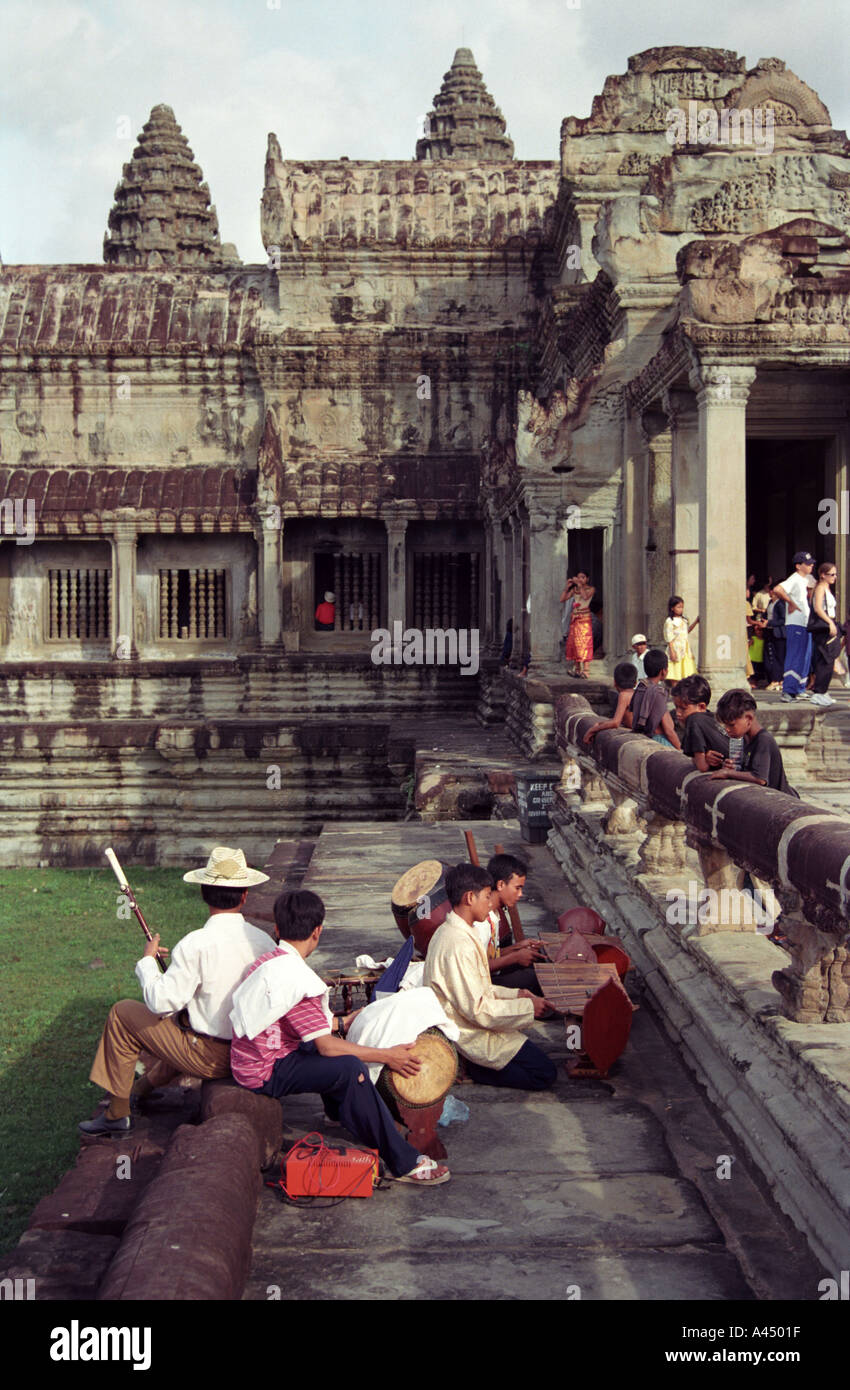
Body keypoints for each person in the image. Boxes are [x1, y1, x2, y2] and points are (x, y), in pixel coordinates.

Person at [230, 889, 450, 1186]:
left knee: (331, 1051)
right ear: (317, 931)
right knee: (350, 1068)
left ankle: (338, 1112)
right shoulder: (301, 979)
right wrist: (388, 1055)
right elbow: (327, 1047)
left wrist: (343, 1022)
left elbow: (295, 1023)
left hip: (249, 1059)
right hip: (264, 1072)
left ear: (277, 929)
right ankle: (403, 1162)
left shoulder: (267, 962)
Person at [79, 846, 273, 1136]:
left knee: (123, 1014)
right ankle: (141, 1089)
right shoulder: (264, 942)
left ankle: (116, 1114)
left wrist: (147, 962)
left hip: (211, 1058)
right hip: (250, 1054)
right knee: (184, 1019)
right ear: (245, 895)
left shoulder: (195, 943)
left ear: (203, 893)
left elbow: (160, 1003)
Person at [424, 863, 557, 1091]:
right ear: (469, 898)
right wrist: (527, 1007)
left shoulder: (459, 931)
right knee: (544, 1074)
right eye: (486, 897)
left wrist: (517, 995)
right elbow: (477, 1010)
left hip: (470, 1017)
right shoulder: (457, 942)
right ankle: (474, 1068)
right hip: (464, 1030)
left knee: (539, 1061)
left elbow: (480, 985)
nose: (490, 903)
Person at [472, 853, 546, 995]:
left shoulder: (495, 914)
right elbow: (477, 968)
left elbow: (490, 956)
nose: (520, 894)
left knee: (539, 963)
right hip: (483, 985)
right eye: (517, 888)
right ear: (500, 884)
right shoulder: (481, 921)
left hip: (492, 974)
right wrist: (515, 957)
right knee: (535, 978)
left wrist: (518, 947)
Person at [710, 689, 798, 797]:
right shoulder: (745, 739)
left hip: (782, 799)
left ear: (748, 719)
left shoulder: (763, 740)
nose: (727, 729)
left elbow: (760, 778)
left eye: (731, 725)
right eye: (726, 726)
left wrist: (728, 773)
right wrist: (732, 767)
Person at [774, 552, 815, 702]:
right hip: (795, 623)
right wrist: (790, 602)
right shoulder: (795, 578)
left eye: (811, 563)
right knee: (795, 656)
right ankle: (788, 690)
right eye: (807, 563)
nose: (811, 566)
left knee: (805, 656)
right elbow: (778, 589)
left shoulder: (806, 580)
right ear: (798, 566)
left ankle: (799, 688)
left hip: (805, 623)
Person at [671, 674, 729, 773]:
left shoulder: (694, 720)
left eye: (683, 708)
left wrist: (703, 759)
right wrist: (705, 756)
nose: (678, 713)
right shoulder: (708, 719)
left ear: (701, 707)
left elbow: (702, 767)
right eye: (676, 707)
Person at [630, 649, 681, 749]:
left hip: (642, 737)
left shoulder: (641, 687)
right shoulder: (658, 692)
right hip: (658, 739)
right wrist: (680, 749)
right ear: (663, 671)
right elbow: (668, 730)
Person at [809, 561, 840, 707]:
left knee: (829, 659)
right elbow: (818, 608)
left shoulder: (826, 588)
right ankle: (818, 692)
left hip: (828, 624)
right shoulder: (820, 588)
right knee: (825, 659)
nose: (834, 577)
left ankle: (823, 690)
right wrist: (830, 622)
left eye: (835, 574)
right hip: (824, 627)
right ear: (823, 575)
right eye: (831, 574)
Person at [583, 662, 637, 744]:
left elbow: (615, 723)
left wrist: (592, 730)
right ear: (635, 682)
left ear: (615, 683)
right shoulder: (636, 693)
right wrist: (600, 724)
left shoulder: (623, 695)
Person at [561, 572, 595, 678]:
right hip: (575, 619)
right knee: (574, 643)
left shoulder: (591, 589)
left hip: (584, 619)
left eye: (583, 577)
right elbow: (562, 599)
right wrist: (567, 588)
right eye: (579, 577)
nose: (580, 579)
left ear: (587, 579)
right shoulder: (575, 590)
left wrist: (579, 585)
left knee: (585, 643)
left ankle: (586, 670)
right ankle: (577, 669)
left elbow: (585, 597)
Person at [663, 596, 698, 682]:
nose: (681, 609)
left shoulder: (684, 620)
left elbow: (686, 631)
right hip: (675, 648)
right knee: (675, 674)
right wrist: (672, 651)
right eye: (678, 607)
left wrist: (696, 622)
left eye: (682, 607)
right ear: (672, 608)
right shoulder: (669, 621)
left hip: (685, 649)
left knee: (686, 674)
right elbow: (669, 636)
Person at [763, 587, 787, 690]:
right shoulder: (770, 603)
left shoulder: (781, 604)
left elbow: (783, 619)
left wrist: (770, 623)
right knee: (771, 656)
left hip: (779, 633)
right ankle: (776, 679)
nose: (770, 593)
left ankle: (778, 680)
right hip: (770, 632)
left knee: (779, 657)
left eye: (772, 591)